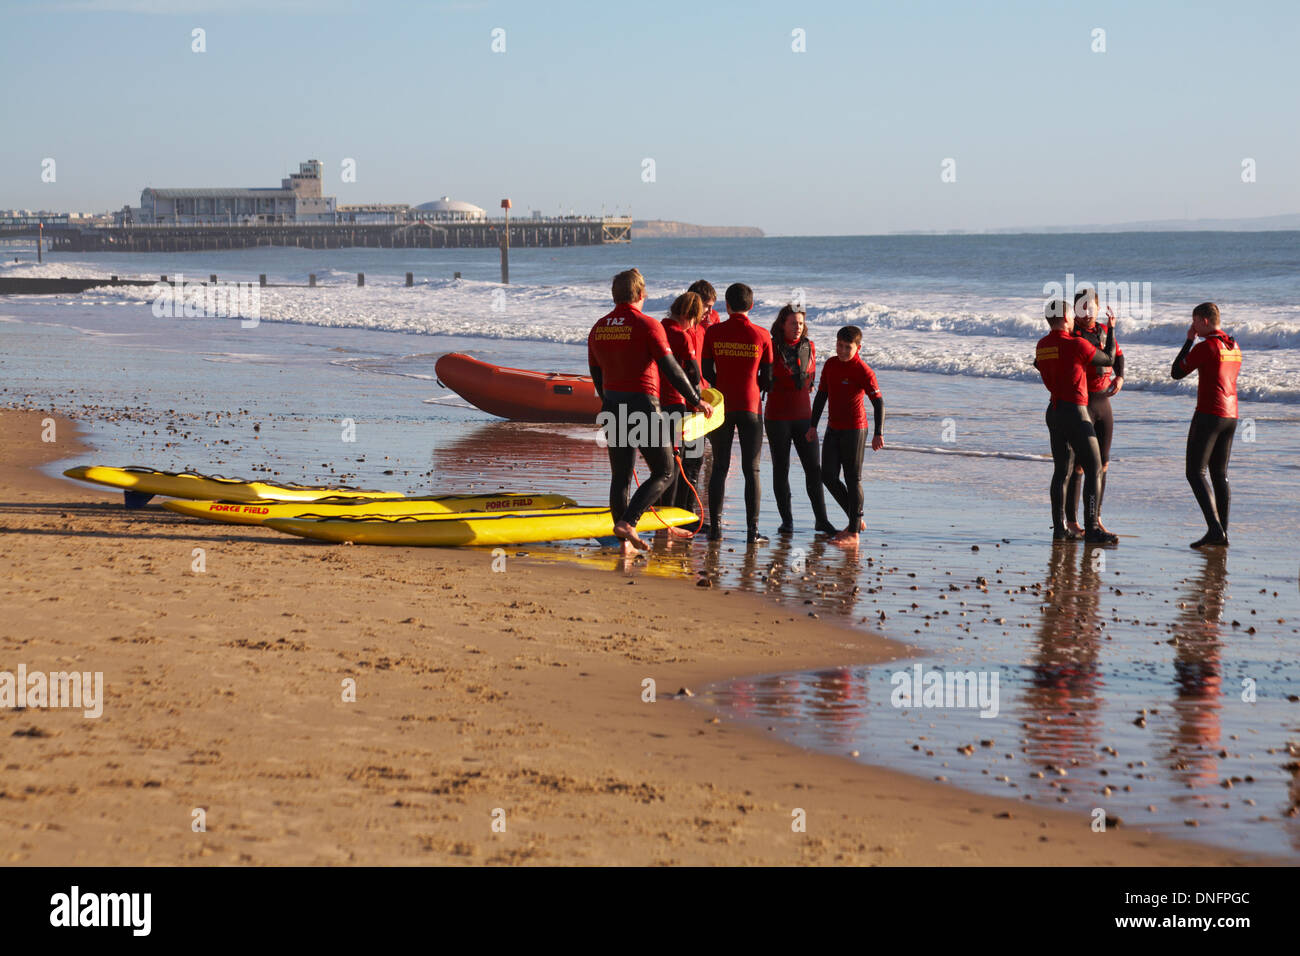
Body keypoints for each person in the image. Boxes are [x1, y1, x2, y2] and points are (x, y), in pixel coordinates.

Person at [588, 269, 712, 554]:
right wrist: (696, 399)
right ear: (641, 294)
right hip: (643, 406)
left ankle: (623, 544)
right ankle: (629, 522)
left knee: (620, 475)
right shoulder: (648, 325)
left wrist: (608, 401)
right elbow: (672, 368)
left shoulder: (599, 327)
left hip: (613, 406)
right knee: (666, 471)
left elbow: (596, 373)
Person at [1033, 298, 1118, 544]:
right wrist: (1111, 329)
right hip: (1075, 412)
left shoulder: (1042, 345)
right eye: (1071, 314)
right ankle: (1092, 528)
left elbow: (1044, 367)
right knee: (1094, 468)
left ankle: (1060, 528)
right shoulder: (1076, 344)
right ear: (1066, 317)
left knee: (1061, 472)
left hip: (1054, 411)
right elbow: (1109, 358)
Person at [701, 282, 773, 542]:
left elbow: (706, 372)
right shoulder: (763, 335)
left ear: (727, 305)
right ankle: (752, 531)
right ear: (751, 305)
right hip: (752, 407)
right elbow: (769, 379)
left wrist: (722, 386)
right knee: (751, 470)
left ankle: (716, 529)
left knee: (719, 466)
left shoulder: (713, 333)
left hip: (722, 407)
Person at [1171, 302, 1241, 548]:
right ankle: (1223, 533)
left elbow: (1176, 371)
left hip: (1209, 414)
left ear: (1205, 321)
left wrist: (1189, 341)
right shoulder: (1234, 347)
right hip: (1231, 416)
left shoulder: (1207, 346)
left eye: (1195, 322)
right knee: (1219, 474)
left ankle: (1214, 529)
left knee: (1194, 472)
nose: (1193, 327)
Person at [806, 325, 883, 547]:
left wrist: (878, 433)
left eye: (847, 347)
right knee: (828, 476)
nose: (841, 350)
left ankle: (854, 532)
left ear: (858, 347)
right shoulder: (830, 364)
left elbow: (878, 403)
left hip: (855, 430)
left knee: (852, 478)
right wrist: (813, 426)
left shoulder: (863, 370)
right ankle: (856, 519)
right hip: (833, 428)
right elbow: (821, 395)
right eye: (839, 345)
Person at [766, 304, 835, 534]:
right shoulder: (771, 347)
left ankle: (821, 520)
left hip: (804, 417)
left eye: (801, 323)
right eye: (793, 323)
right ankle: (787, 521)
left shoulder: (810, 346)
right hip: (777, 417)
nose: (798, 327)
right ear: (782, 324)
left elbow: (812, 379)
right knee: (781, 469)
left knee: (814, 470)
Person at [1064, 288, 1124, 536]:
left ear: (1098, 308)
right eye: (1082, 307)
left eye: (1091, 307)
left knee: (1104, 464)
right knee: (1080, 465)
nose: (1087, 312)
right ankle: (1072, 522)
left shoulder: (1104, 331)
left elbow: (1117, 355)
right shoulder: (1071, 334)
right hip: (1083, 403)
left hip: (1103, 403)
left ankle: (1096, 518)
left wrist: (1120, 377)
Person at [657, 291, 706, 529]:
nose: (695, 324)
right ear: (687, 315)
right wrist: (699, 401)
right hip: (676, 404)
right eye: (695, 318)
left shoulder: (657, 328)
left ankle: (655, 514)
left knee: (660, 463)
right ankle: (671, 519)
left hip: (652, 402)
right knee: (676, 463)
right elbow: (694, 376)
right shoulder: (682, 336)